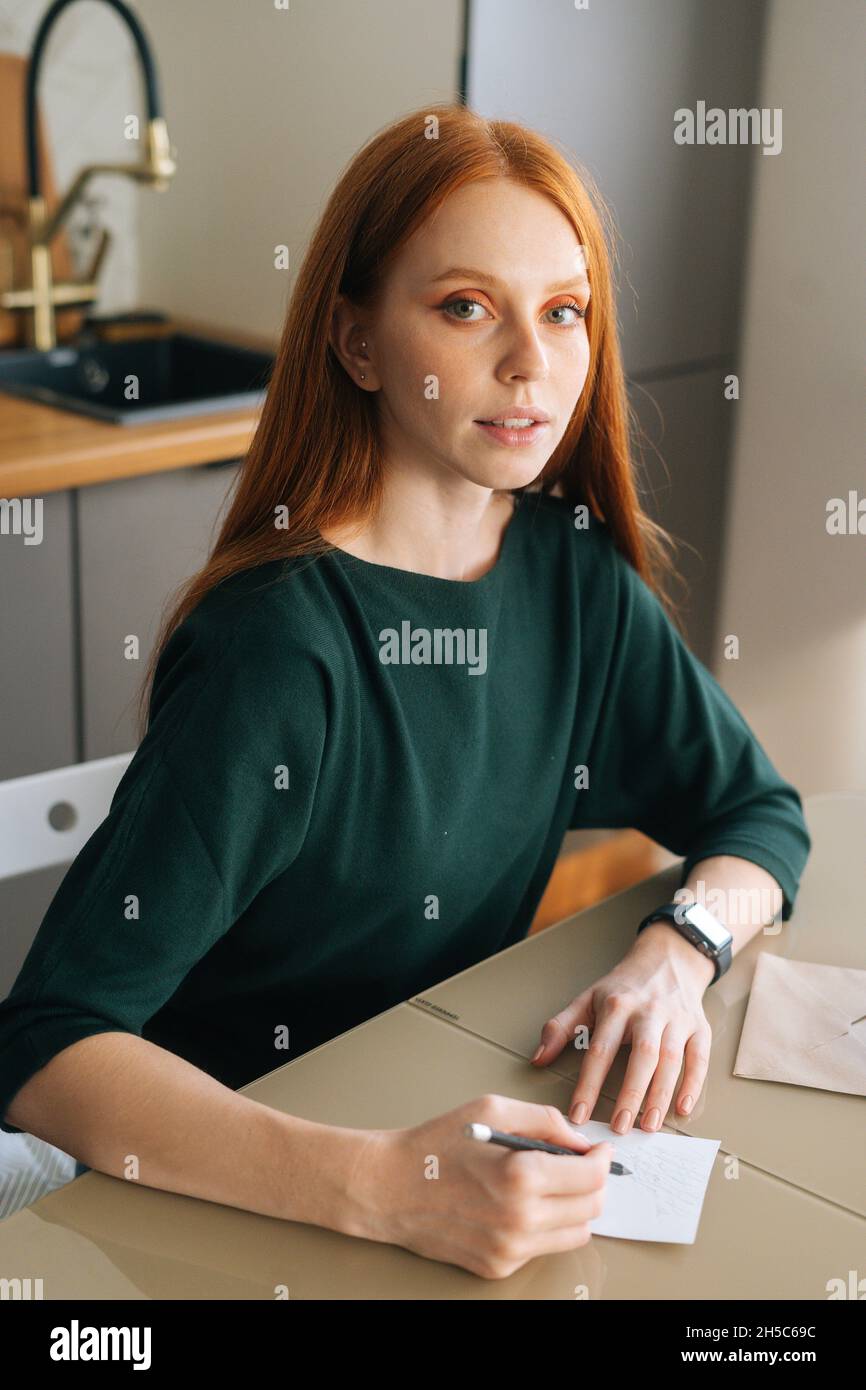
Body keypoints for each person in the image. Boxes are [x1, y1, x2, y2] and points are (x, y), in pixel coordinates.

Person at [0, 104, 809, 1280]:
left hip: (433, 1145)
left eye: (564, 311)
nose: (532, 361)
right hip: (220, 1210)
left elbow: (759, 815)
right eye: (466, 307)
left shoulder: (572, 577)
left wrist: (674, 952)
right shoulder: (278, 650)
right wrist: (384, 1185)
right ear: (358, 342)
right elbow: (48, 1044)